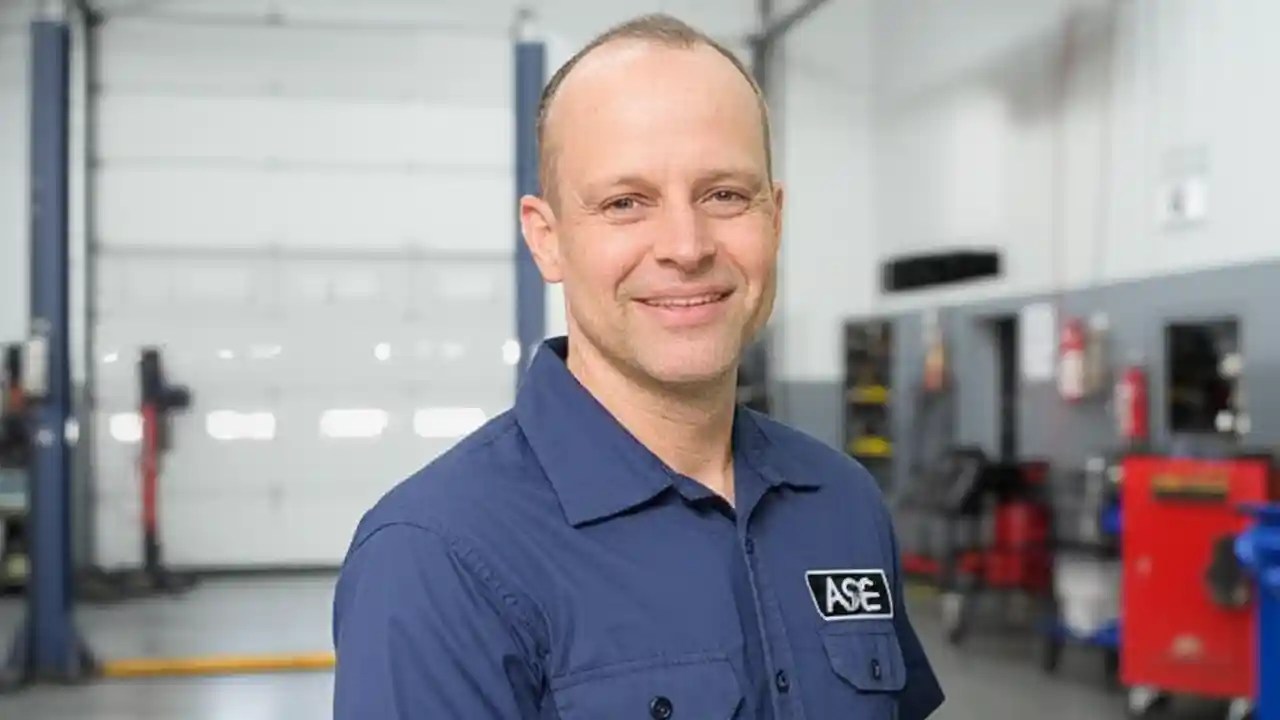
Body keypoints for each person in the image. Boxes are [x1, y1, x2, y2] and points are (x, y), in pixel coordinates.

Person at [333, 12, 943, 720]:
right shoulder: (435, 559)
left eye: (724, 195)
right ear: (547, 238)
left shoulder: (841, 502)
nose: (686, 246)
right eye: (626, 202)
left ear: (773, 219)